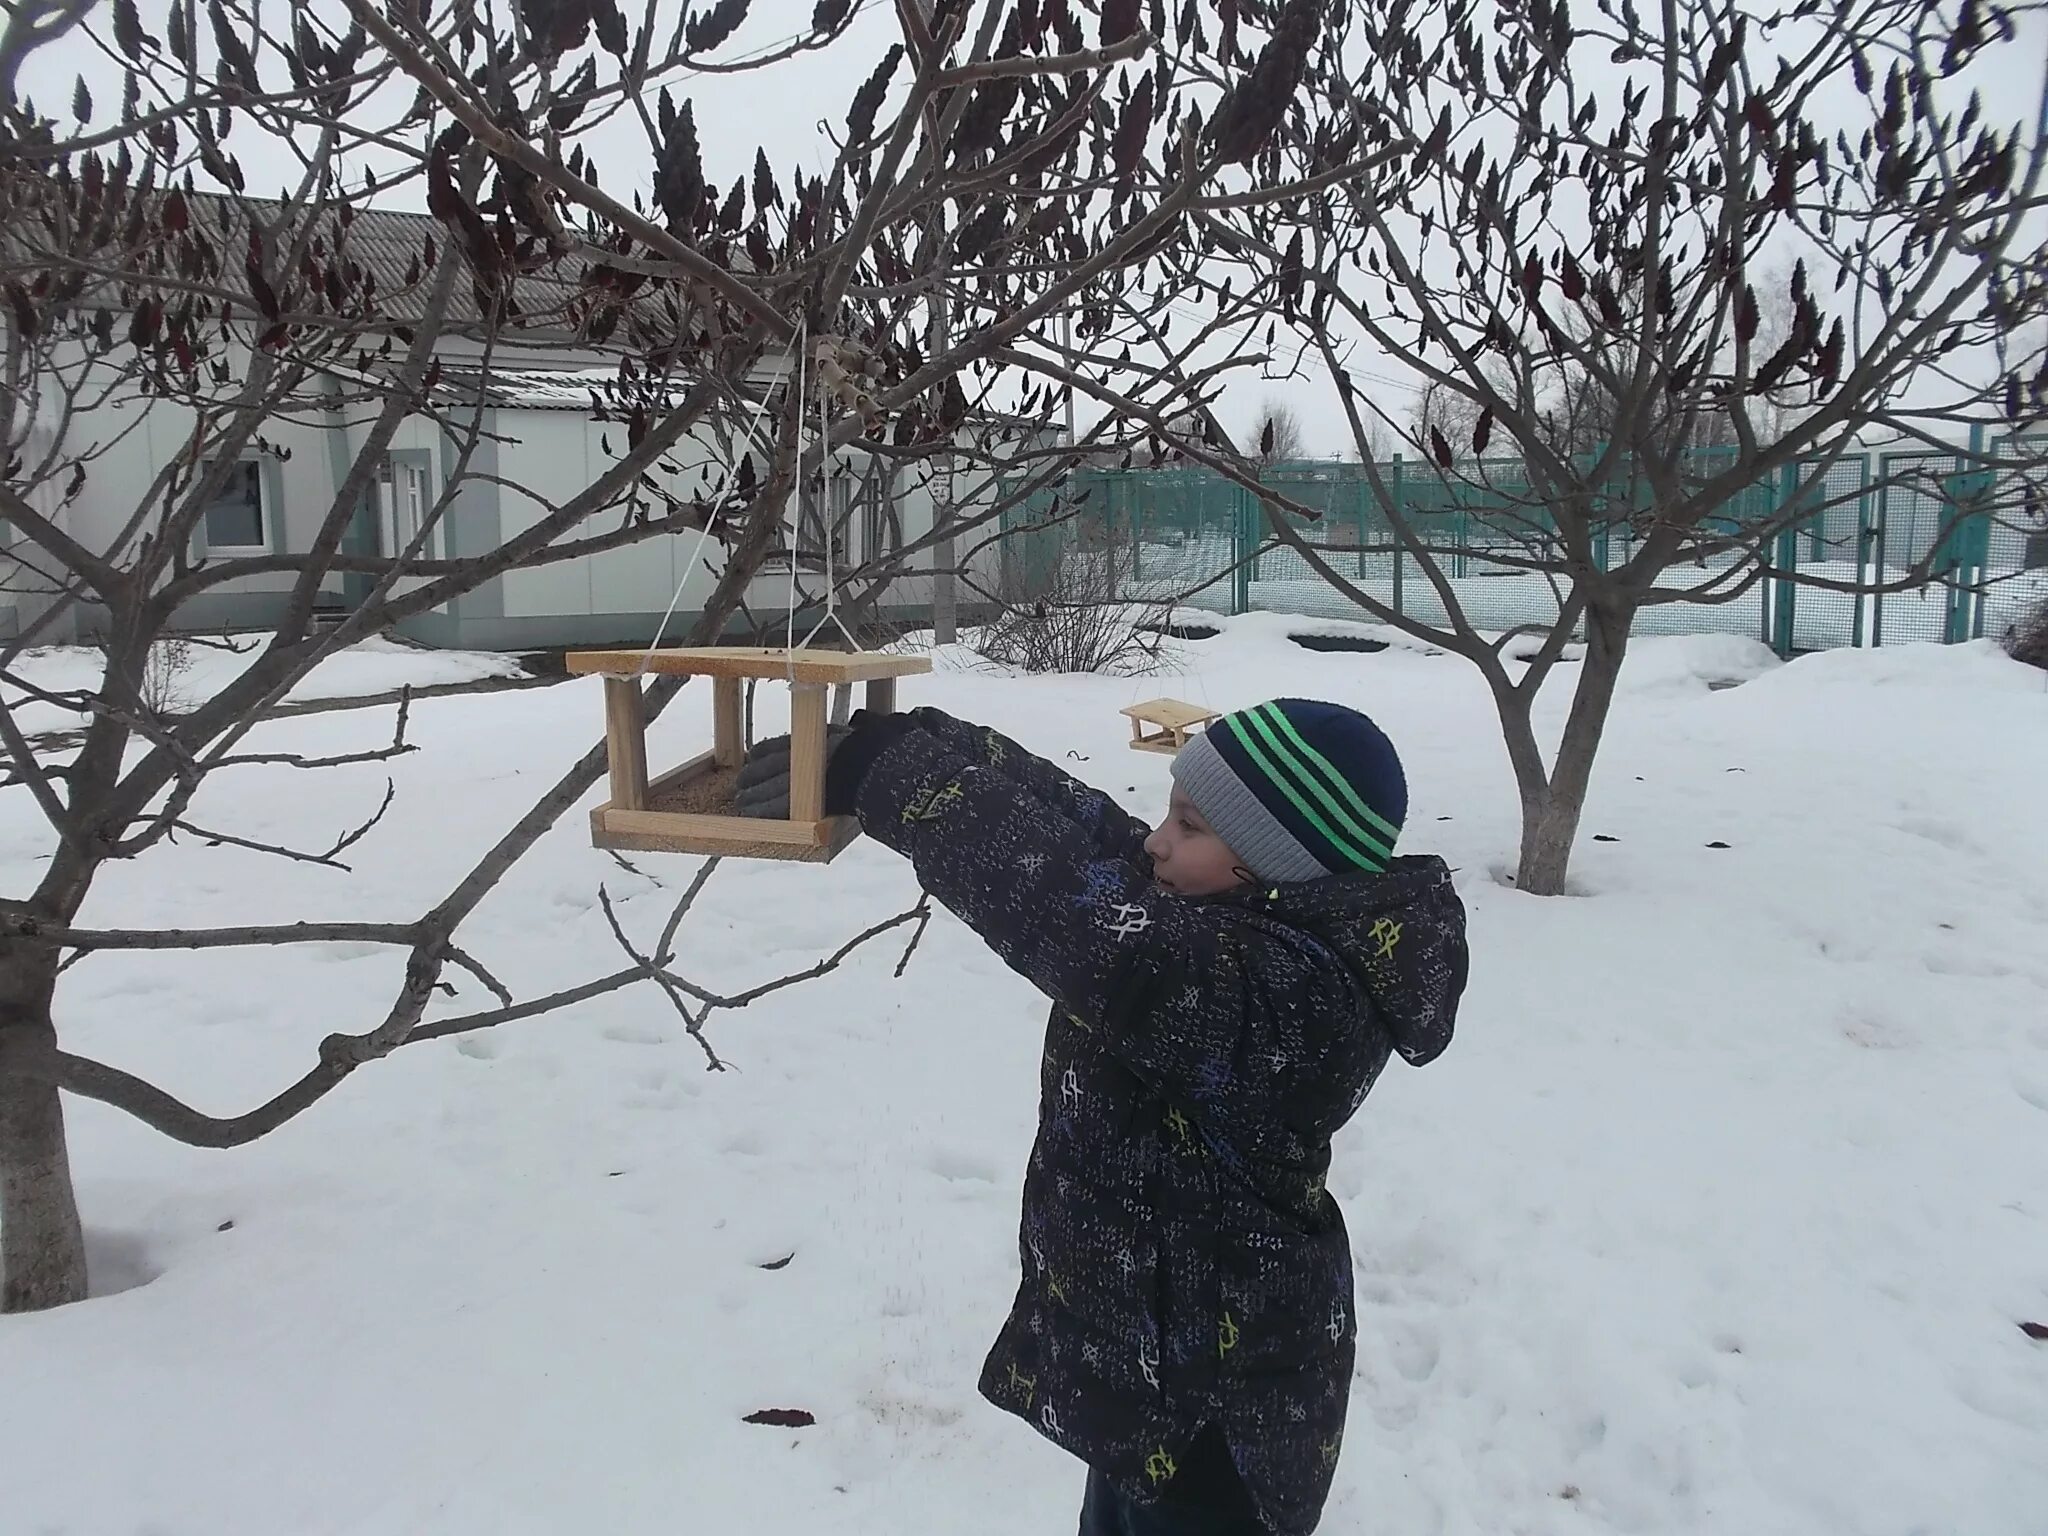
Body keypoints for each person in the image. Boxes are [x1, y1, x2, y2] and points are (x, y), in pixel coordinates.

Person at [735, 698, 1469, 1536]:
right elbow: (1094, 838)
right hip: (1153, 1385)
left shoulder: (1282, 998)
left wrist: (898, 783)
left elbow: (1077, 913)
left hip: (1217, 1424)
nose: (1156, 840)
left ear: (1272, 867)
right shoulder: (1230, 908)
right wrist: (938, 745)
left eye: (1188, 826)